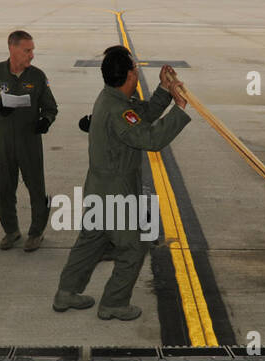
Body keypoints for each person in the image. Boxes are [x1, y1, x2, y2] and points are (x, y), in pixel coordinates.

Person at [53, 48, 191, 322]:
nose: (137, 71)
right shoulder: (118, 109)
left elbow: (144, 115)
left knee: (90, 243)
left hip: (99, 187)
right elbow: (151, 139)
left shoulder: (114, 98)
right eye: (135, 68)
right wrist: (180, 109)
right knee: (133, 247)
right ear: (129, 75)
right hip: (114, 193)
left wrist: (164, 89)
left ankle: (66, 293)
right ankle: (114, 303)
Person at [0, 30, 58, 251]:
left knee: (37, 188)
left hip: (30, 142)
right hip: (4, 143)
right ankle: (11, 231)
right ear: (12, 49)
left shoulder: (37, 76)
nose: (31, 55)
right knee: (5, 189)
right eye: (27, 50)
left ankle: (36, 233)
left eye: (32, 50)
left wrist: (45, 121)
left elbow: (50, 108)